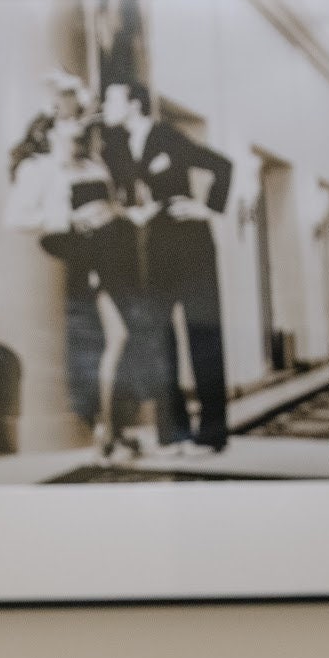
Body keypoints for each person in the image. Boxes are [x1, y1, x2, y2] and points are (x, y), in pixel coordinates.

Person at [5, 92, 150, 461]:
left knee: (128, 339)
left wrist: (115, 212)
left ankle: (114, 427)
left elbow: (112, 200)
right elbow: (17, 218)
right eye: (71, 120)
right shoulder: (40, 169)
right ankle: (106, 431)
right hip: (86, 259)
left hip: (118, 254)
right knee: (108, 340)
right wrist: (69, 220)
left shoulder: (93, 163)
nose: (80, 125)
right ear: (52, 130)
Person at [97, 79, 235, 455]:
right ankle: (173, 433)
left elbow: (222, 166)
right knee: (158, 342)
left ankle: (212, 435)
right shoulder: (117, 148)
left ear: (135, 104)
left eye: (111, 97)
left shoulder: (168, 136)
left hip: (193, 249)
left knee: (203, 338)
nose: (104, 103)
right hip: (152, 253)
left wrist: (208, 208)